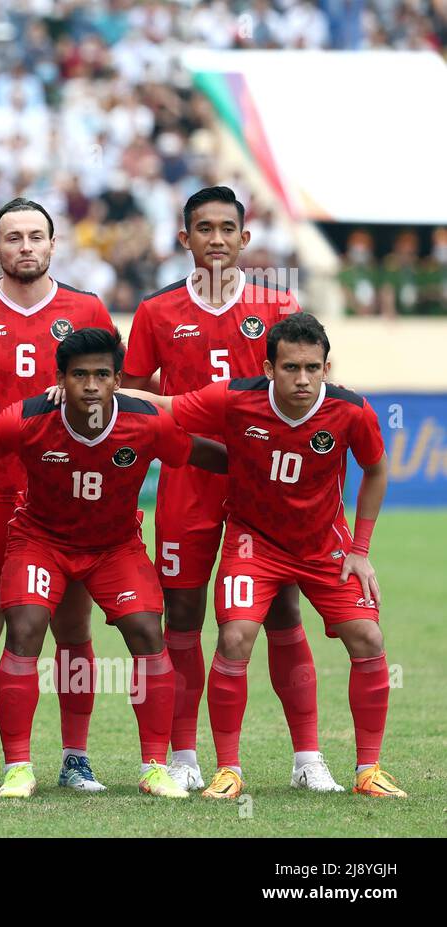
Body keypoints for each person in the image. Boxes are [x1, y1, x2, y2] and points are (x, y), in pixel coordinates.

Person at [130, 313, 405, 798]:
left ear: (326, 367)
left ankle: (368, 770)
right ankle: (229, 770)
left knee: (367, 636)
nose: (303, 379)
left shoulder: (351, 410)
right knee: (235, 638)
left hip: (324, 546)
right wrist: (96, 393)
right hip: (254, 543)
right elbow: (167, 406)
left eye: (313, 368)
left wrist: (360, 549)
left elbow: (376, 469)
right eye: (291, 368)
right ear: (269, 367)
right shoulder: (237, 397)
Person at [0, 327, 226, 799]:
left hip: (114, 546)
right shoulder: (27, 419)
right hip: (40, 540)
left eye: (101, 375)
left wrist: (256, 464)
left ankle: (154, 767)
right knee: (25, 629)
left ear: (117, 380)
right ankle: (18, 768)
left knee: (148, 632)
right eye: (79, 376)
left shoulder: (147, 421)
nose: (90, 385)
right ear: (59, 379)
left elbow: (195, 452)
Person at [122, 185, 314, 791]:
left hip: (262, 486)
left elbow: (303, 388)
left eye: (227, 228)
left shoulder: (277, 305)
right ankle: (183, 756)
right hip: (188, 482)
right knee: (181, 611)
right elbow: (131, 396)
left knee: (281, 607)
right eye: (203, 228)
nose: (216, 239)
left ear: (245, 238)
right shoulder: (155, 312)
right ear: (185, 238)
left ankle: (307, 759)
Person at [0, 197, 115, 792]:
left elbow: (113, 385)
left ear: (53, 244)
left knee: (72, 627)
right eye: (13, 238)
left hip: (66, 497)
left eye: (36, 236)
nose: (26, 247)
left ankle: (75, 755)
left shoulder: (85, 308)